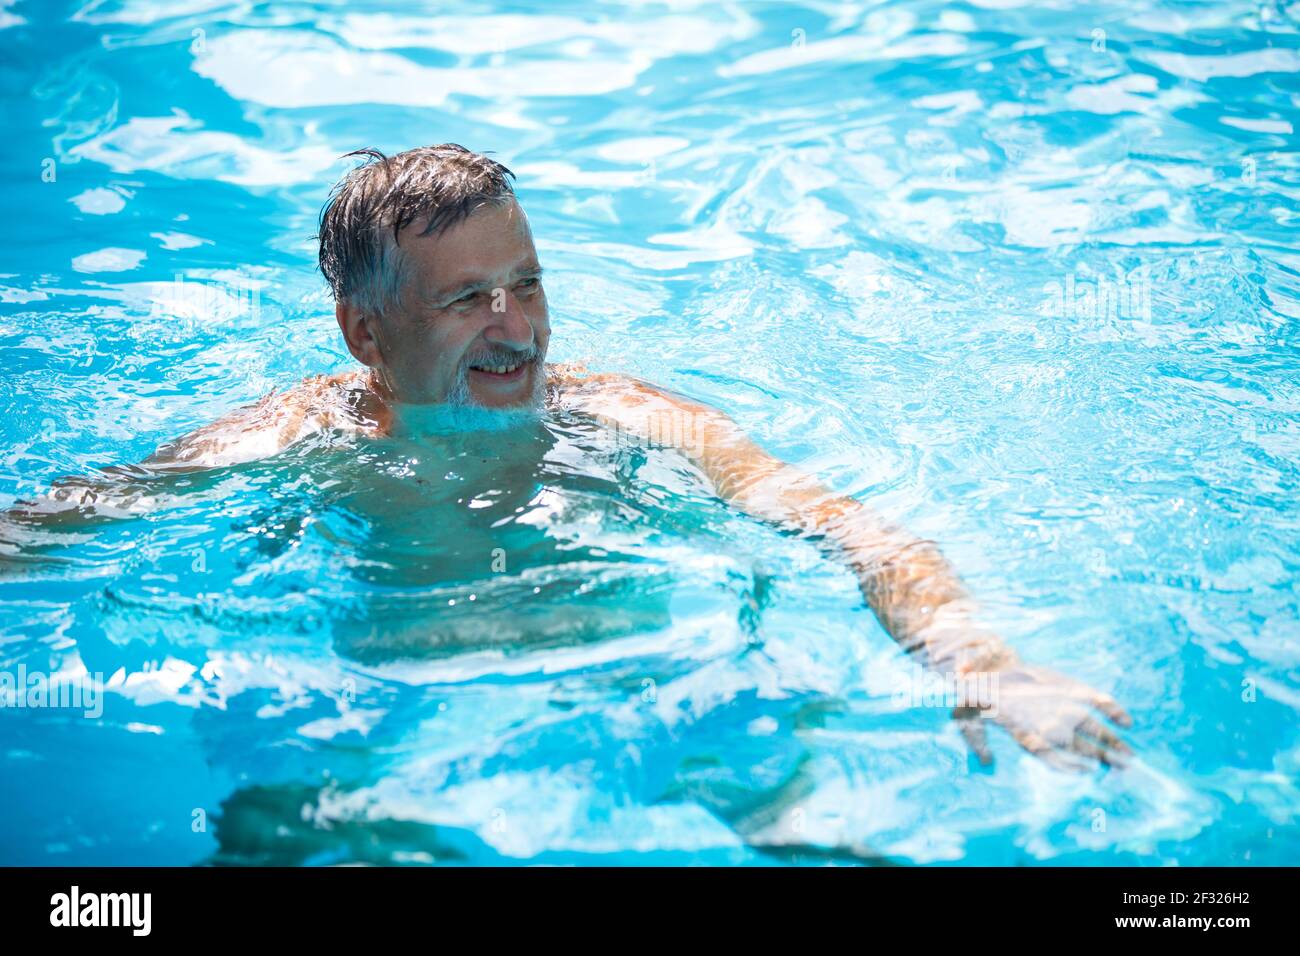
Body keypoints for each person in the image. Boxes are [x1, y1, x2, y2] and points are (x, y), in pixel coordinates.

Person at [10, 144, 1131, 770]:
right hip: (368, 695)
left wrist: (981, 662)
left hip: (638, 669)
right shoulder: (292, 437)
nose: (519, 328)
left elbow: (850, 526)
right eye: (466, 300)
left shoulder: (622, 414)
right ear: (366, 334)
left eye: (529, 283)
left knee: (803, 826)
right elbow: (58, 528)